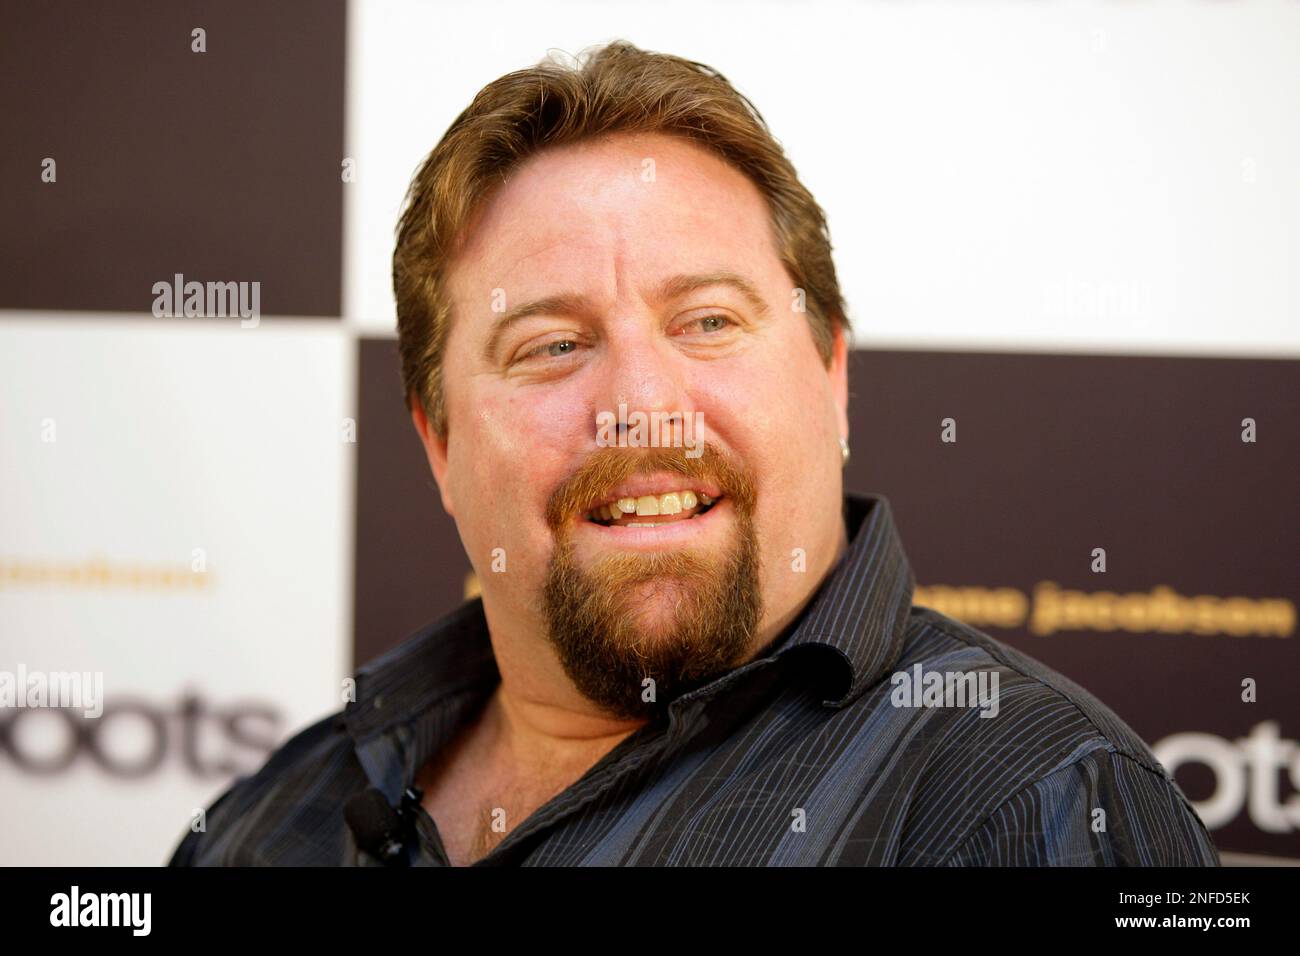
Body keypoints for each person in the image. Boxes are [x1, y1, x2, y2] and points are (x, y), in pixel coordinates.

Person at [170, 40, 1217, 866]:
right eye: (553, 344)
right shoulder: (273, 815)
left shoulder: (1036, 804)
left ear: (830, 376)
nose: (642, 405)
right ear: (437, 442)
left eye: (709, 321)